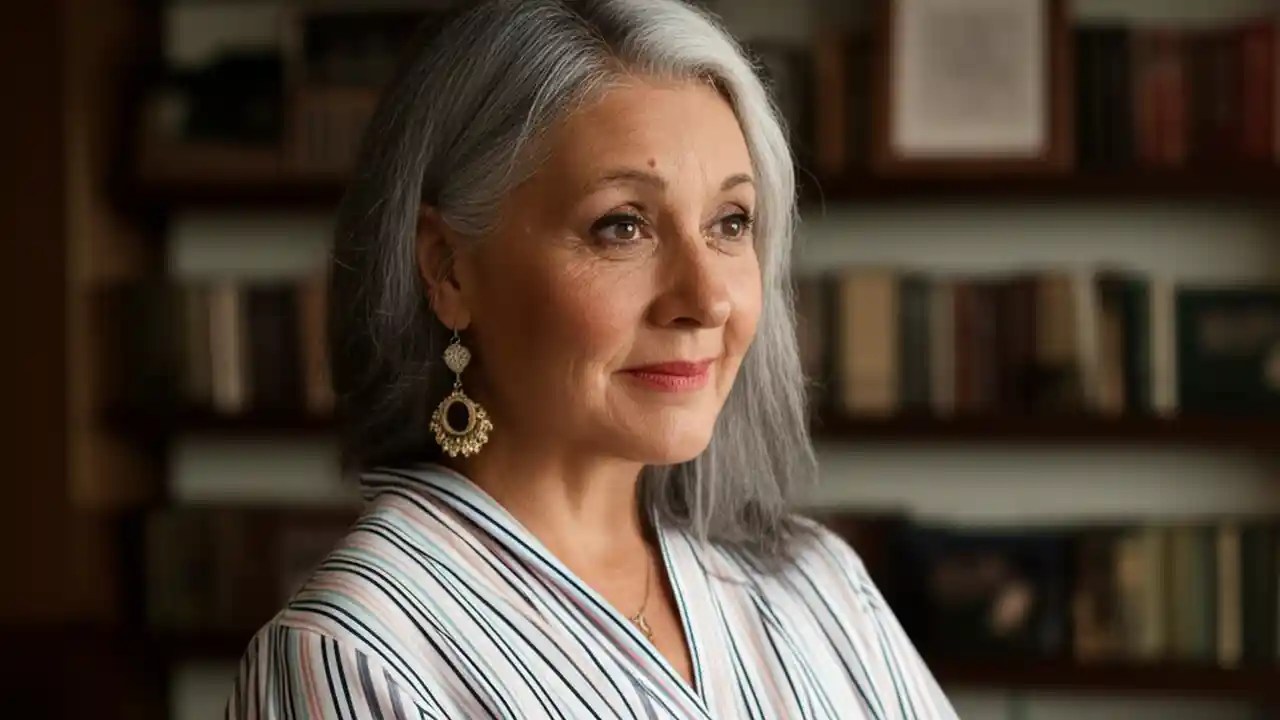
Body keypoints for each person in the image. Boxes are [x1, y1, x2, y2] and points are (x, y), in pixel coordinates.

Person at [227, 1, 957, 717]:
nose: (706, 300)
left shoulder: (817, 583)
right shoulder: (355, 657)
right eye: (623, 226)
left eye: (730, 222)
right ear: (448, 269)